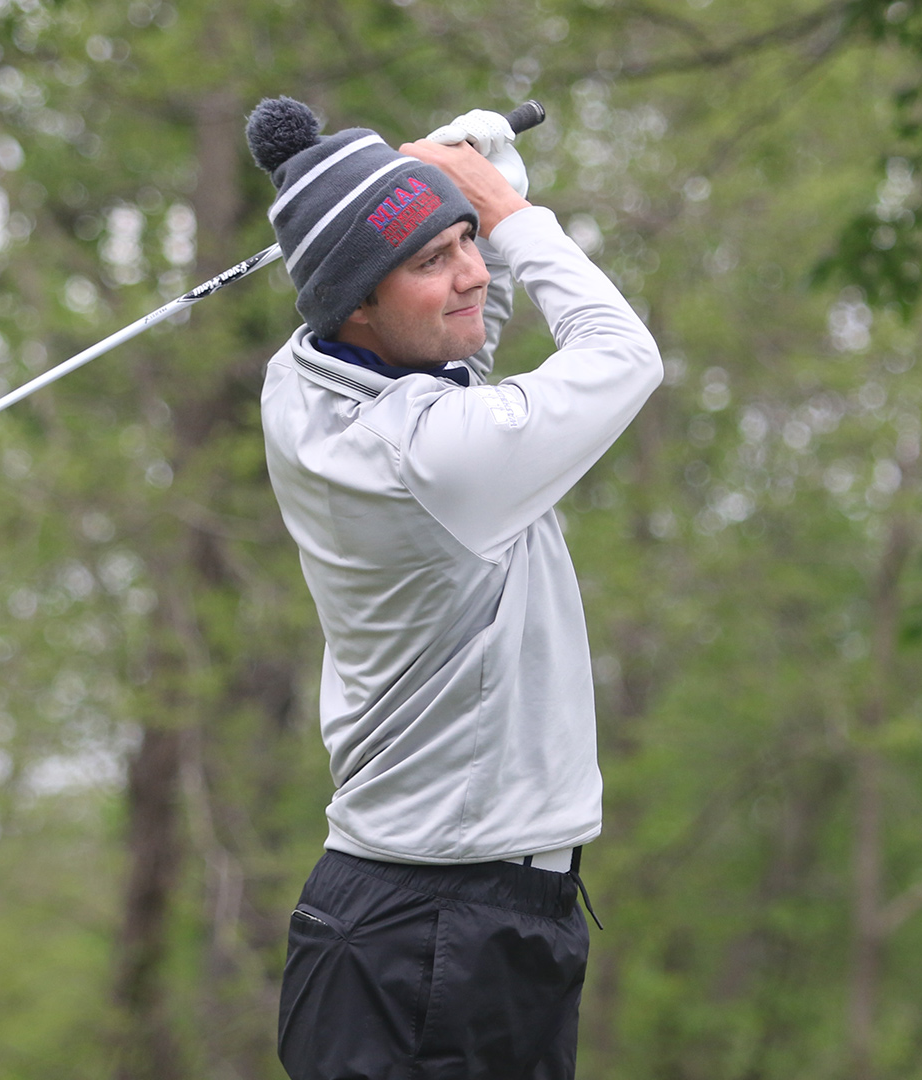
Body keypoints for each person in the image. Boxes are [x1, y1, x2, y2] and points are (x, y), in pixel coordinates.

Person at [248, 96, 662, 1080]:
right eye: (433, 260)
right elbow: (623, 357)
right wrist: (512, 215)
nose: (474, 272)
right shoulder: (425, 457)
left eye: (468, 244)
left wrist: (467, 192)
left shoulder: (304, 383)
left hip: (449, 924)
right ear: (354, 303)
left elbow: (456, 350)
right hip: (432, 937)